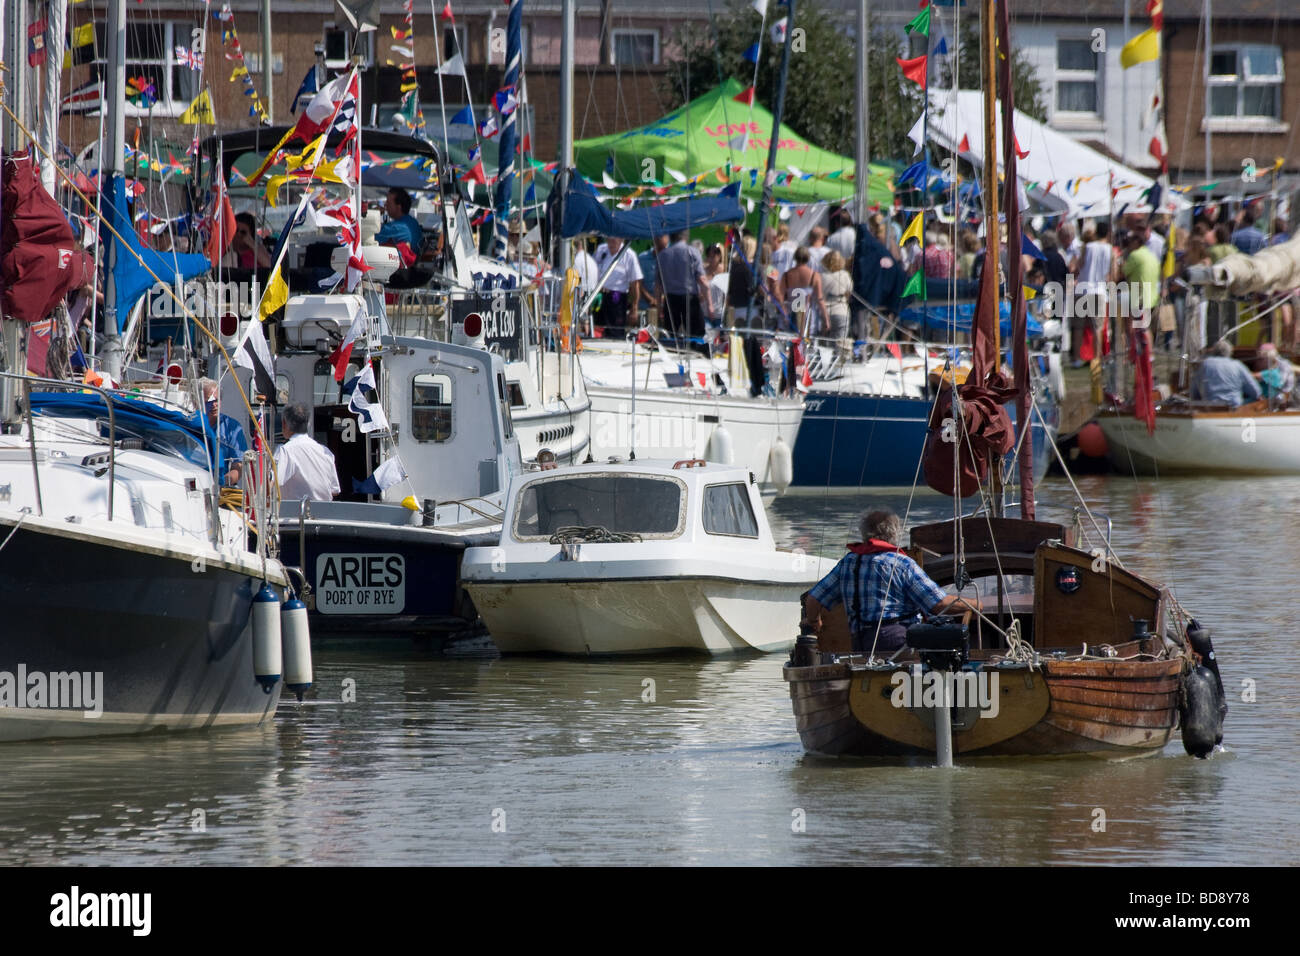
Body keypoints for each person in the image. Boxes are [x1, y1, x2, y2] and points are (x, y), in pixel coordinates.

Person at [801, 509, 981, 654]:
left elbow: (813, 599)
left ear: (864, 534)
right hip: (898, 643)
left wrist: (814, 621)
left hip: (860, 643)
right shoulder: (901, 564)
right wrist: (974, 604)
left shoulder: (849, 563)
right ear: (894, 534)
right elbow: (938, 604)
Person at [275, 402, 341, 502]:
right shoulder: (325, 451)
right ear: (308, 424)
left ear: (284, 423)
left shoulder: (285, 451)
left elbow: (274, 482)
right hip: (325, 513)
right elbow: (334, 490)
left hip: (295, 513)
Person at [655, 231, 713, 340]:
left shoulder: (662, 255)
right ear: (686, 236)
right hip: (689, 301)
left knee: (670, 336)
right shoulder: (692, 252)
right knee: (697, 336)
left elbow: (658, 286)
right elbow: (702, 280)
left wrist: (659, 307)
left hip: (670, 301)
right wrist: (710, 305)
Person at [199, 377, 248, 487]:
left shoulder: (233, 427)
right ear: (197, 401)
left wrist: (222, 483)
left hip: (223, 489)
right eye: (209, 401)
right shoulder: (188, 424)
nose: (214, 405)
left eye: (216, 400)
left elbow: (238, 466)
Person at [593, 235, 643, 331]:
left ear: (621, 239)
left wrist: (634, 308)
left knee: (615, 330)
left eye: (614, 238)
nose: (611, 240)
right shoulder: (601, 250)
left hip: (617, 296)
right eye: (609, 237)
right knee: (597, 328)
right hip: (599, 295)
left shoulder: (629, 255)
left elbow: (635, 283)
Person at [1191, 340, 1262, 406]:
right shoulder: (1237, 365)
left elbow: (1195, 387)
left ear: (1214, 351)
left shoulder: (1205, 364)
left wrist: (1195, 399)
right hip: (1233, 406)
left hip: (1211, 407)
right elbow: (1253, 389)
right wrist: (1257, 396)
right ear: (1230, 352)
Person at [780, 247, 828, 335]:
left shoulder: (787, 275)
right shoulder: (814, 275)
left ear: (795, 257)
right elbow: (820, 299)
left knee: (792, 342)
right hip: (809, 316)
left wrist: (784, 314)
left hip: (791, 314)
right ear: (808, 258)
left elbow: (781, 298)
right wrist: (826, 319)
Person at [375, 187, 425, 263]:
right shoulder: (413, 222)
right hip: (410, 267)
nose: (385, 205)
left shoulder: (396, 227)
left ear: (399, 207)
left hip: (399, 270)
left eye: (388, 202)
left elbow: (370, 238)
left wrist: (374, 215)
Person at [819, 250, 853, 346]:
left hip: (825, 313)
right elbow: (849, 292)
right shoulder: (845, 275)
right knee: (840, 344)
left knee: (825, 344)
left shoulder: (822, 276)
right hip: (841, 311)